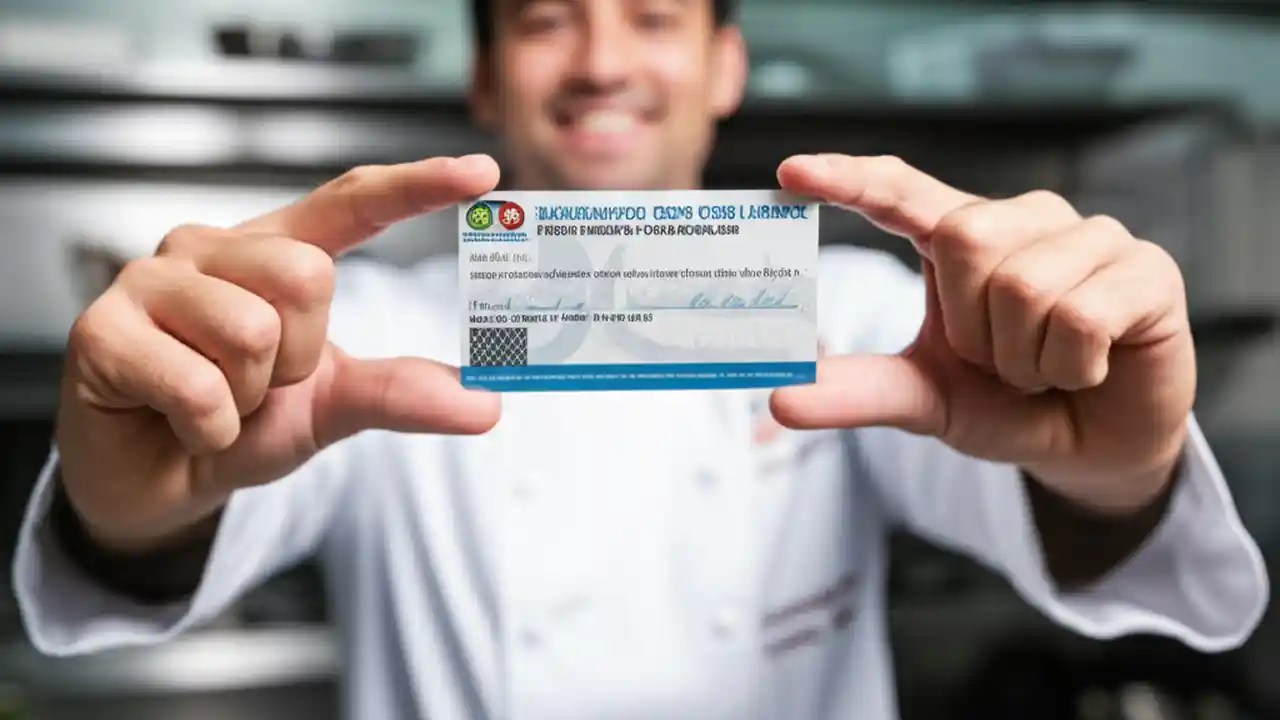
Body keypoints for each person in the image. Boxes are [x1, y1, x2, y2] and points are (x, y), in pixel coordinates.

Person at [12, 1, 1267, 718]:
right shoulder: (356, 339)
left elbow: (1049, 506)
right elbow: (156, 544)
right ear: (487, 78)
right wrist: (134, 506)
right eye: (546, 20)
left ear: (725, 66)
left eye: (653, 16)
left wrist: (1115, 472)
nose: (602, 60)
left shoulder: (866, 313)